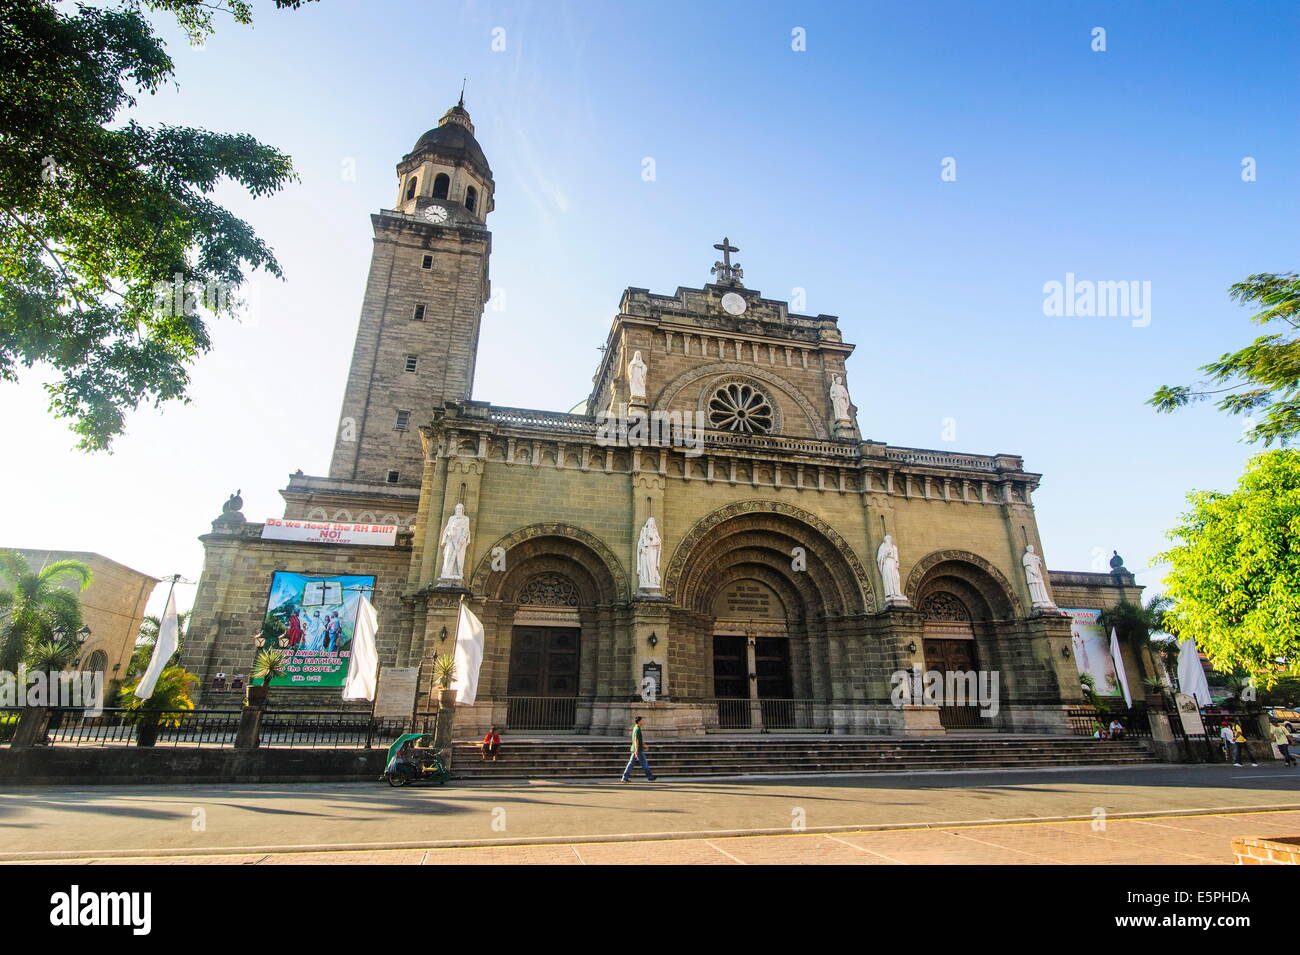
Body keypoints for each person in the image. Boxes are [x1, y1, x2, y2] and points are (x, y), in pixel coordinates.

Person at [621, 716, 656, 782]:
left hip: (635, 749)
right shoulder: (637, 729)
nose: (643, 721)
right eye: (642, 720)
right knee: (644, 763)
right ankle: (650, 777)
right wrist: (637, 750)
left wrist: (644, 745)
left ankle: (625, 777)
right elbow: (636, 740)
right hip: (638, 750)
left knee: (631, 764)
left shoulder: (635, 728)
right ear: (639, 721)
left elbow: (639, 740)